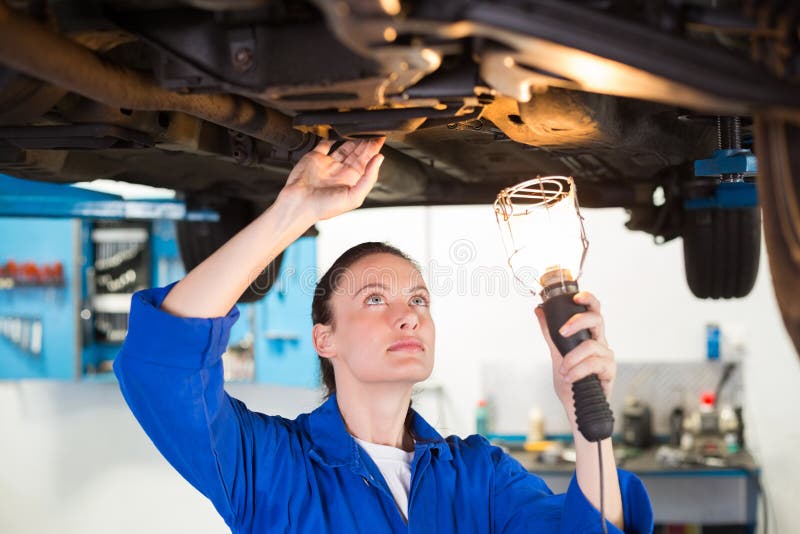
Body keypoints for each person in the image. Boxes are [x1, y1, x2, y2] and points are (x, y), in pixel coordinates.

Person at [114, 137, 653, 533]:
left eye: (419, 299)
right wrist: (294, 210)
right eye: (375, 298)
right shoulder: (272, 467)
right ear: (325, 339)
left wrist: (587, 414)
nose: (409, 315)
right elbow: (163, 364)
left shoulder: (478, 476)